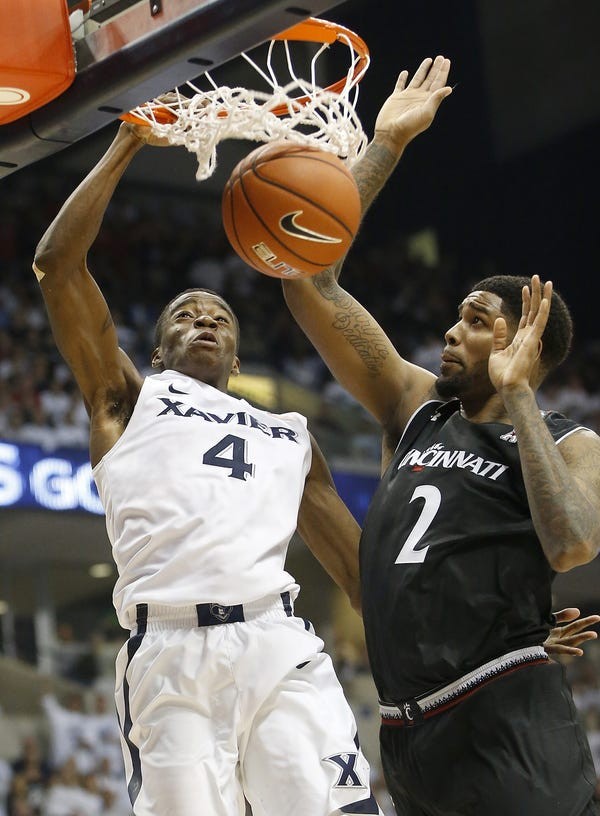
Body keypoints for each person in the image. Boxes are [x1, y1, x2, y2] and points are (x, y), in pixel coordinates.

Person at [32, 120, 383, 816]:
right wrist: (128, 141)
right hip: (170, 652)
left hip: (277, 642)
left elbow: (360, 576)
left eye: (219, 318)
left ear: (238, 358)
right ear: (157, 352)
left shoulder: (290, 436)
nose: (205, 321)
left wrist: (484, 641)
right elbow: (56, 266)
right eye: (186, 316)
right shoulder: (127, 399)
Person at [282, 57, 600, 814]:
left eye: (477, 322)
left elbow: (571, 545)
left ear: (524, 342)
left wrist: (517, 393)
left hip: (506, 722)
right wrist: (385, 146)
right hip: (408, 733)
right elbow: (307, 280)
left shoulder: (571, 443)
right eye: (457, 316)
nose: (451, 332)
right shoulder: (415, 404)